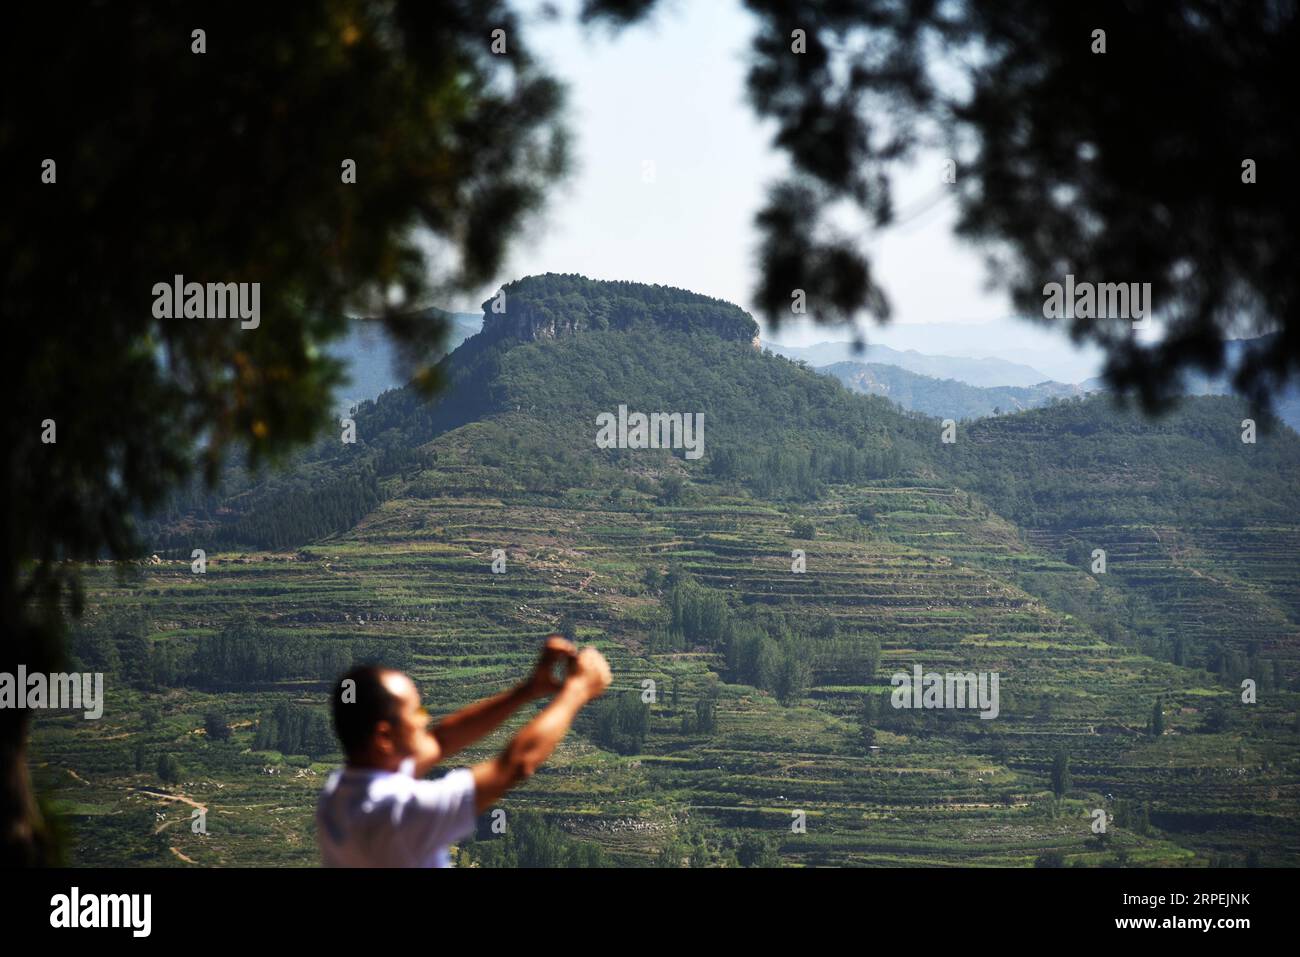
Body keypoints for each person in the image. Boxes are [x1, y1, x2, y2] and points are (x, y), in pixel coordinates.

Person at [316, 635, 611, 867]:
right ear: (384, 736)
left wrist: (529, 690)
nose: (425, 718)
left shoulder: (340, 794)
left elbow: (441, 741)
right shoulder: (399, 815)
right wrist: (578, 690)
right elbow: (514, 766)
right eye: (415, 711)